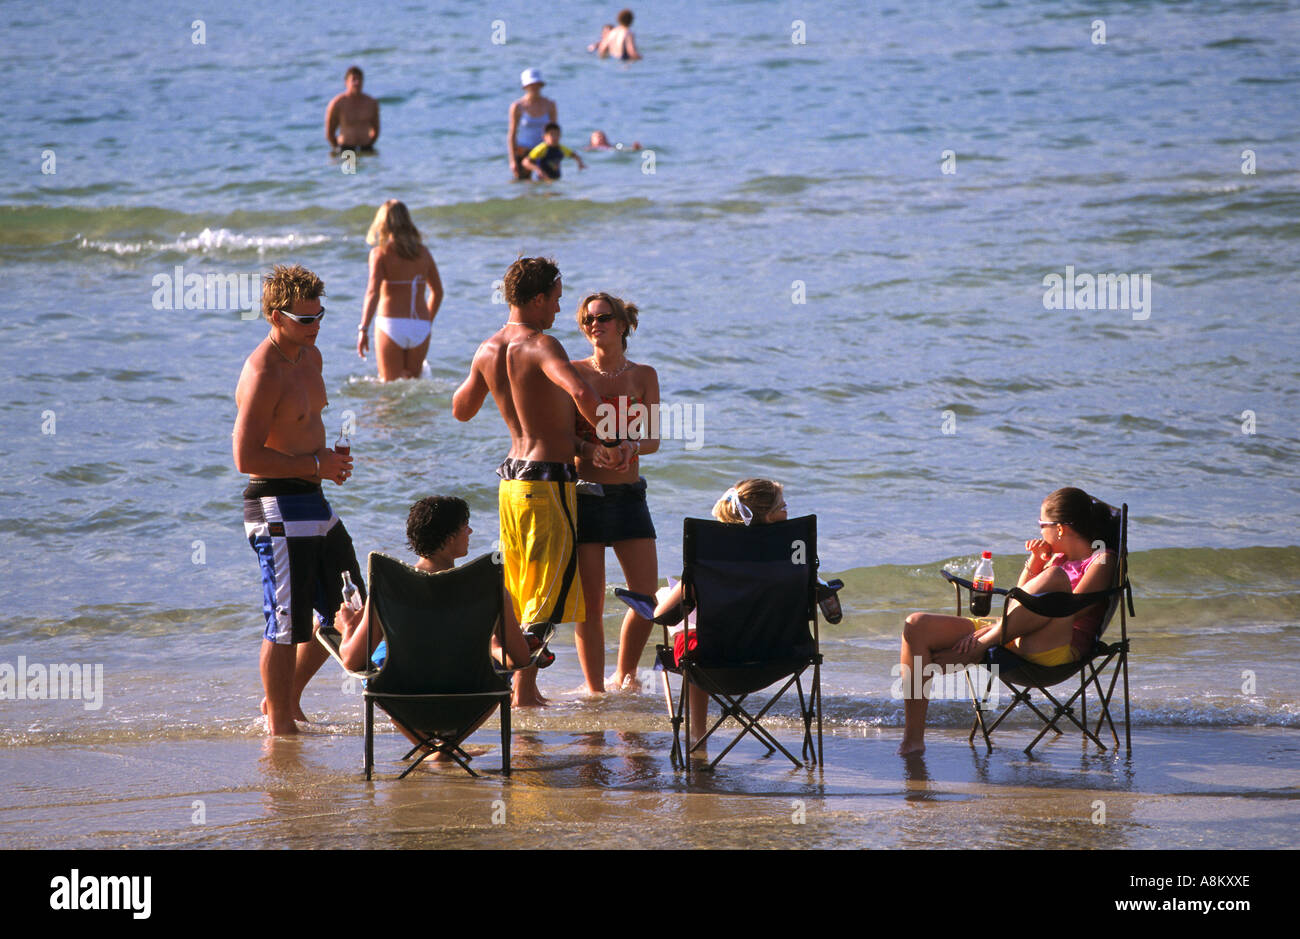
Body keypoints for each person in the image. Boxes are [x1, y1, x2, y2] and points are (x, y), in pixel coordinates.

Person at [452, 257, 635, 706]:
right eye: (554, 300)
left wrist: (486, 376)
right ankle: (516, 679)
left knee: (521, 584)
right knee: (549, 587)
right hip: (547, 482)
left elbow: (461, 409)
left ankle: (523, 690)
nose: (557, 310)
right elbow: (579, 391)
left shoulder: (488, 348)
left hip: (511, 483)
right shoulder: (541, 344)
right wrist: (609, 440)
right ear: (536, 299)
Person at [896, 487, 1117, 755]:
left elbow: (1074, 611)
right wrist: (1034, 562)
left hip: (1055, 647)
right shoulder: (1056, 559)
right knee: (917, 625)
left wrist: (1046, 577)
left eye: (1041, 525)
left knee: (1056, 579)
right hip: (1012, 632)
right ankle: (912, 741)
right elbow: (1016, 601)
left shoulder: (1102, 559)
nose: (1039, 531)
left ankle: (983, 643)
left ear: (1059, 529)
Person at [233, 264, 358, 735]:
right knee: (286, 622)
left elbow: (302, 430)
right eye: (305, 319)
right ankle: (280, 726)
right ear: (274, 315)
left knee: (353, 608)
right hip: (275, 506)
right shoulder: (263, 370)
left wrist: (325, 461)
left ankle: (283, 701)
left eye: (319, 315)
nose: (316, 326)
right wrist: (313, 466)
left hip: (313, 497)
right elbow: (245, 456)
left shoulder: (311, 356)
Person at [330, 497, 534, 754]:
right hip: (472, 697)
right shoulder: (489, 588)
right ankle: (448, 749)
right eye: (465, 527)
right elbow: (521, 659)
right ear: (449, 539)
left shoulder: (388, 587)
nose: (470, 532)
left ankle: (429, 749)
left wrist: (348, 626)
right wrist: (493, 644)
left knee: (374, 675)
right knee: (501, 678)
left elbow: (352, 661)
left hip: (403, 699)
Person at [653, 479, 789, 746]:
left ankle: (697, 734)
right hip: (779, 655)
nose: (788, 511)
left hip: (712, 661)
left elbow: (663, 615)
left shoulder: (707, 563)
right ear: (770, 517)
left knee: (691, 636)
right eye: (783, 506)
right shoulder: (793, 560)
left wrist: (661, 599)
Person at [571, 293, 660, 693]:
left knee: (646, 597)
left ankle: (625, 676)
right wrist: (592, 451)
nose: (594, 325)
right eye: (587, 320)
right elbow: (562, 438)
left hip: (629, 495)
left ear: (622, 325)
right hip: (585, 495)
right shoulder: (573, 373)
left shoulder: (644, 375)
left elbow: (653, 438)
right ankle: (594, 691)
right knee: (589, 607)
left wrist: (630, 447)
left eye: (603, 318)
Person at [357, 200, 444, 381]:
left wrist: (363, 329)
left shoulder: (380, 254)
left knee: (391, 390)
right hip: (420, 325)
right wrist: (427, 322)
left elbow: (372, 292)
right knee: (413, 385)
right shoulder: (423, 253)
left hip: (391, 324)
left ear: (383, 223)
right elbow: (438, 292)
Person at [508, 68, 558, 181]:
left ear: (541, 85)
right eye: (531, 85)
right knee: (522, 185)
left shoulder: (550, 104)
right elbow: (512, 134)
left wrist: (556, 156)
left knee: (548, 184)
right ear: (525, 87)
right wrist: (512, 160)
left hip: (543, 150)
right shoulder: (517, 106)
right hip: (523, 150)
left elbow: (555, 132)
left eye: (537, 84)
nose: (534, 88)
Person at [325, 66, 380, 154]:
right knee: (349, 168)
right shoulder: (337, 103)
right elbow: (329, 134)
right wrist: (338, 149)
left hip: (366, 148)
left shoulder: (371, 103)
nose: (357, 83)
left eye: (359, 79)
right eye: (353, 79)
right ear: (346, 82)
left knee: (372, 168)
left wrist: (369, 144)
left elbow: (376, 130)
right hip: (346, 149)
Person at [521, 123, 586, 181]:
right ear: (544, 137)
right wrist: (538, 170)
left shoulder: (561, 148)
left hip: (556, 179)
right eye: (551, 134)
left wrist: (580, 163)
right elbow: (525, 162)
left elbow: (574, 155)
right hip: (542, 181)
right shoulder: (541, 149)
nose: (555, 137)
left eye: (557, 134)